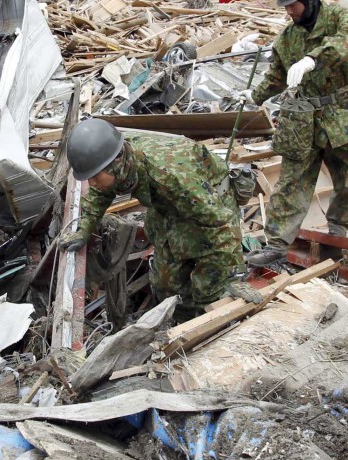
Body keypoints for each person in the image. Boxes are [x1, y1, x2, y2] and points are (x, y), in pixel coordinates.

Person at [60, 118, 258, 320]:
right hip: (166, 209)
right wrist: (83, 229)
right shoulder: (116, 160)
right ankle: (175, 319)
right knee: (166, 283)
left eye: (95, 177)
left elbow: (221, 226)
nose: (91, 183)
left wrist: (234, 274)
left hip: (208, 207)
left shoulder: (172, 177)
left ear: (116, 165)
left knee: (209, 287)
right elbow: (100, 194)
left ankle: (198, 323)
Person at [242, 0, 348, 267]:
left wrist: (313, 59)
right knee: (292, 182)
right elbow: (277, 74)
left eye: (293, 4)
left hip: (344, 116)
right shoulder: (288, 38)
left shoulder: (341, 19)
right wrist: (255, 95)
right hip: (304, 120)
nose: (289, 11)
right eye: (284, 5)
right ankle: (276, 244)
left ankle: (339, 234)